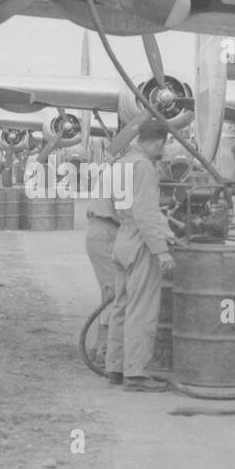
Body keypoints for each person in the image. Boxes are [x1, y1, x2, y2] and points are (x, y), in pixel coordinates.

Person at [104, 119, 175, 392]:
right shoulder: (144, 166)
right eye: (164, 146)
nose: (164, 151)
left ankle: (115, 367)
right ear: (158, 141)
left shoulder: (123, 163)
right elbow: (146, 214)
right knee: (142, 309)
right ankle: (136, 374)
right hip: (139, 241)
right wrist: (162, 250)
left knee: (121, 306)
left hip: (123, 237)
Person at [85, 183, 121, 368]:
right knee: (116, 292)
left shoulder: (119, 169)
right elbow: (133, 214)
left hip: (101, 231)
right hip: (106, 232)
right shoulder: (128, 172)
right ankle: (105, 350)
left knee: (109, 293)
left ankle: (100, 345)